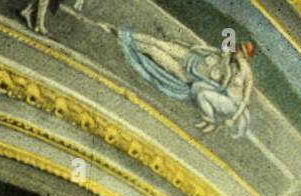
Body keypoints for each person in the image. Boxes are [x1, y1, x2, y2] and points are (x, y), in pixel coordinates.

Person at [102, 20, 257, 138]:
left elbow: (222, 87)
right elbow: (201, 49)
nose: (237, 51)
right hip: (190, 57)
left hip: (186, 73)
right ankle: (120, 33)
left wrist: (226, 65)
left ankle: (127, 42)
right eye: (239, 48)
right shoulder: (226, 56)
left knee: (154, 52)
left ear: (245, 57)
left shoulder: (235, 73)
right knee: (158, 43)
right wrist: (183, 44)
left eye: (241, 52)